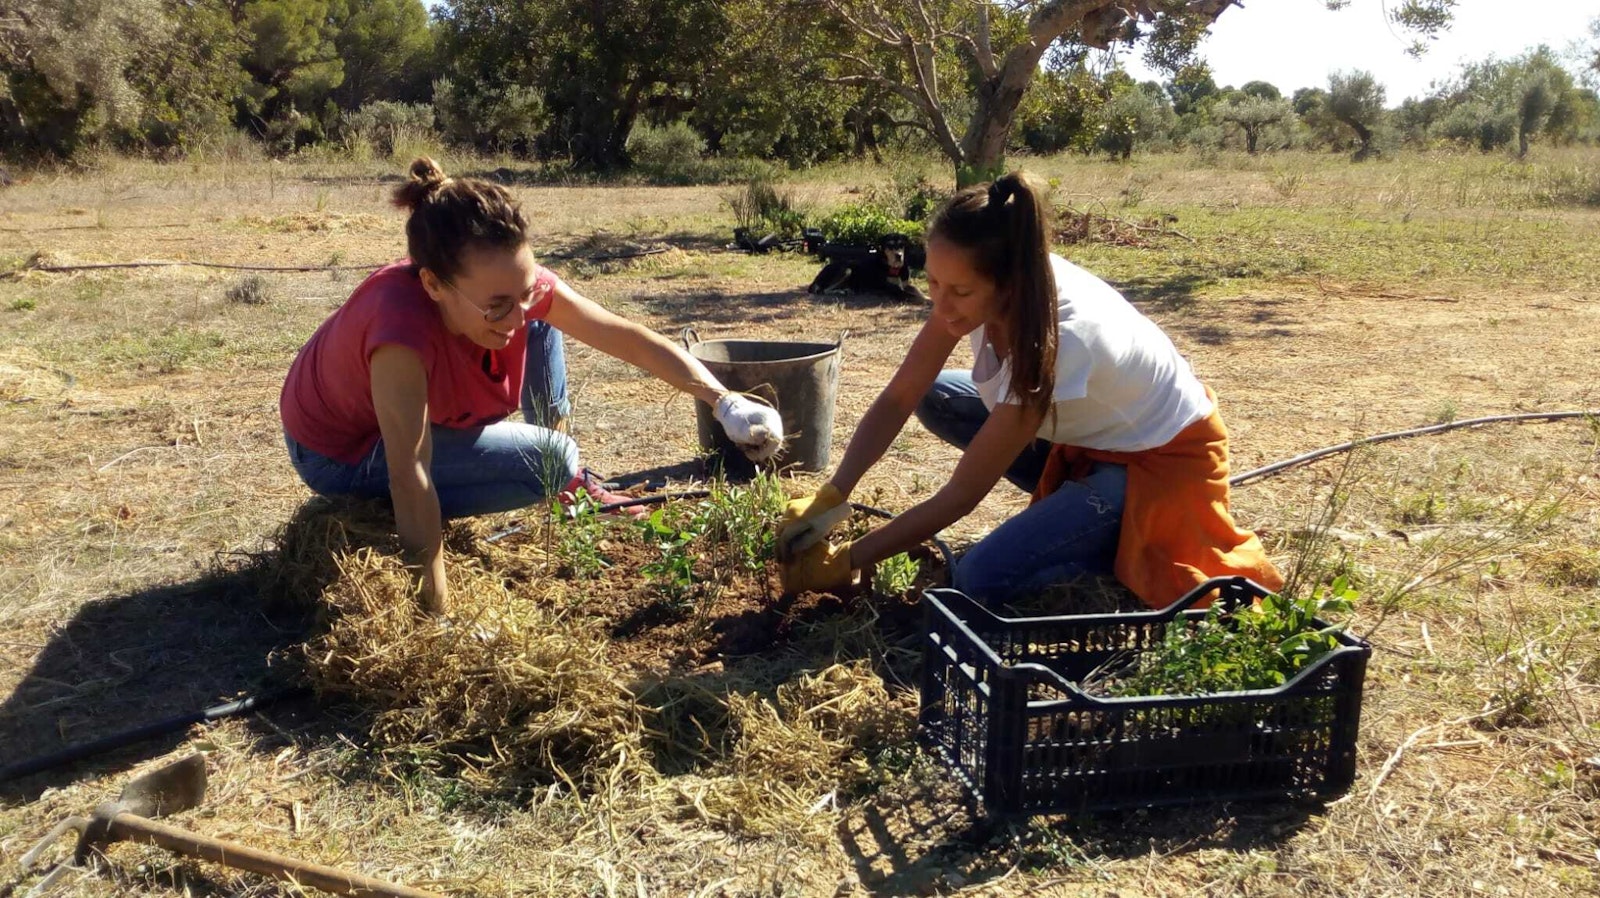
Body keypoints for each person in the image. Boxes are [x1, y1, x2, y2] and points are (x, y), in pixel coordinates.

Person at [281, 157, 782, 614]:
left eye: (523, 292)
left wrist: (724, 401)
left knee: (544, 319)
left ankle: (567, 485)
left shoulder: (503, 297)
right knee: (551, 459)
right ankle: (563, 478)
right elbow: (409, 473)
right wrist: (435, 618)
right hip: (339, 452)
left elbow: (622, 336)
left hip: (413, 411)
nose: (515, 317)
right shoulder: (399, 335)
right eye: (498, 304)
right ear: (433, 284)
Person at [778, 172, 1281, 608]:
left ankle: (1107, 549)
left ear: (1009, 286)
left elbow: (963, 493)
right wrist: (833, 493)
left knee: (976, 579)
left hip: (1158, 466)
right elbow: (901, 394)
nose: (943, 305)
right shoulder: (974, 278)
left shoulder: (1063, 336)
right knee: (939, 396)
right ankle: (1074, 515)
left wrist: (848, 560)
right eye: (932, 283)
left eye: (960, 292)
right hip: (1086, 436)